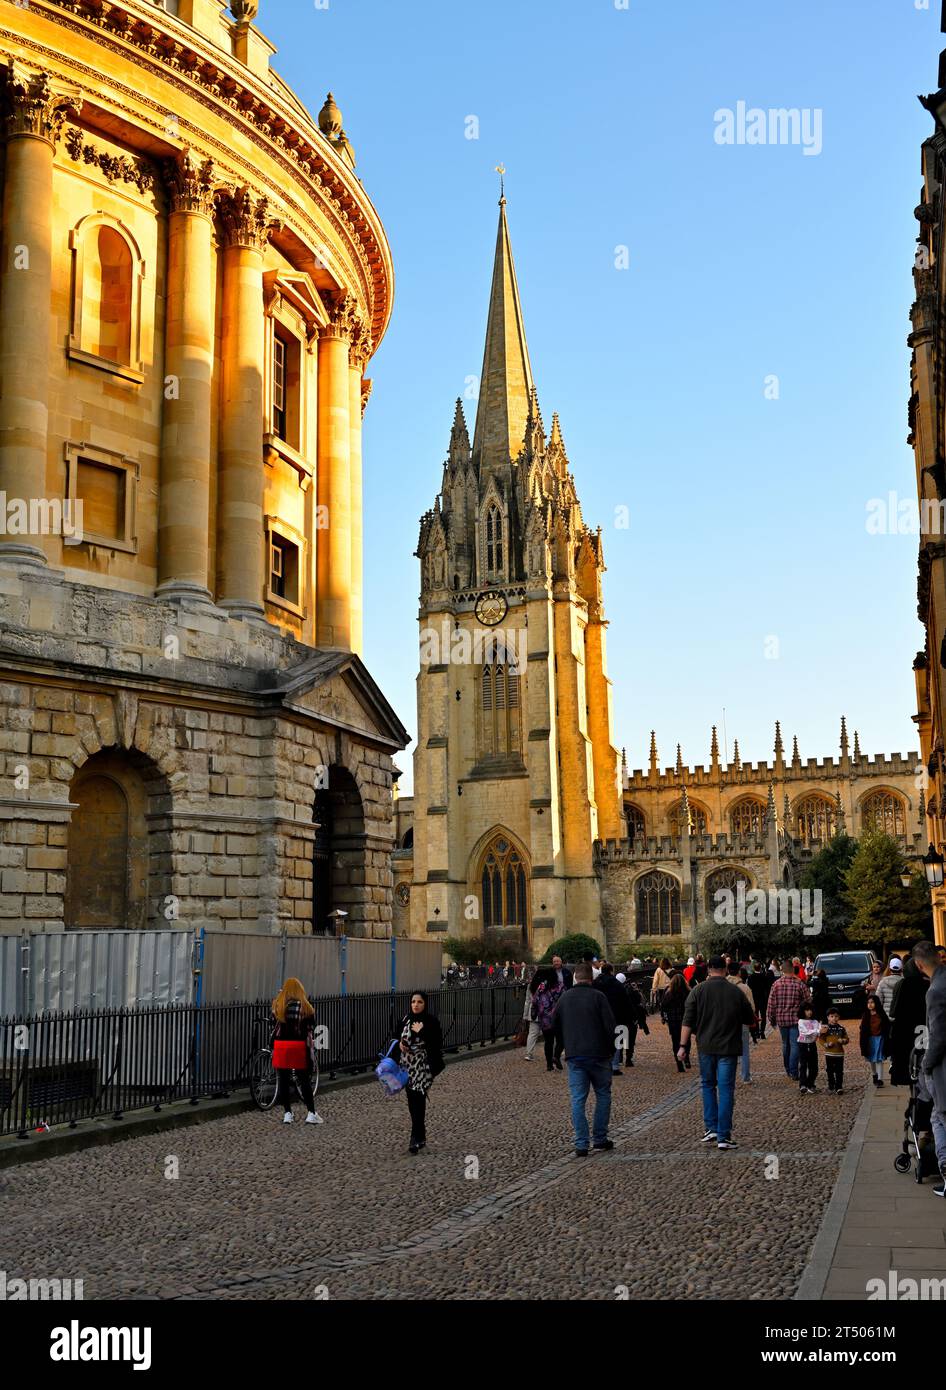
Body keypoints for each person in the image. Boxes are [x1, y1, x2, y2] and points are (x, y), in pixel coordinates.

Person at [680, 956, 755, 1150]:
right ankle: (723, 1134)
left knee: (707, 1086)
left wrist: (682, 1046)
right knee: (726, 1089)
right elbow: (750, 1019)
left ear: (708, 970)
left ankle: (711, 1128)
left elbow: (687, 1021)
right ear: (724, 969)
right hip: (728, 1047)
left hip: (705, 1046)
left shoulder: (697, 991)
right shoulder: (735, 992)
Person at [552, 961, 617, 1156]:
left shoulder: (564, 998)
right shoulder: (599, 997)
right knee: (603, 1095)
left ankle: (581, 1143)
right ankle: (599, 1138)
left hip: (575, 1055)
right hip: (599, 1054)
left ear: (575, 977)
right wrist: (611, 1049)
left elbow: (556, 1026)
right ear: (592, 978)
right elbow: (610, 1026)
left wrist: (560, 1049)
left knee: (578, 1100)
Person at [912, 940, 946, 1196]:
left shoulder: (934, 991)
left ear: (918, 964)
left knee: (940, 1116)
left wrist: (926, 1063)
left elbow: (938, 1036)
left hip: (942, 1066)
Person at [271, 977, 322, 1126]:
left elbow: (274, 1024)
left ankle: (287, 1113)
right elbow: (310, 1027)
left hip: (281, 1045)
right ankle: (311, 1113)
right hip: (298, 1045)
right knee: (304, 1079)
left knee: (283, 1080)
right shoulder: (306, 1007)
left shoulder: (278, 1006)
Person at [399, 990, 444, 1154]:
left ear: (425, 1004)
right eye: (413, 1002)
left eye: (419, 1002)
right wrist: (399, 1044)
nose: (415, 1005)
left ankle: (415, 1137)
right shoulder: (405, 1019)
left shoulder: (430, 1021)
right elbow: (396, 1036)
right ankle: (420, 1134)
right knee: (412, 1100)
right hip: (407, 1066)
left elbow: (437, 1041)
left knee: (418, 1098)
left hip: (423, 1066)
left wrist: (421, 1031)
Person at [767, 959, 811, 1081]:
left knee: (785, 1044)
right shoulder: (799, 984)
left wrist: (771, 1019)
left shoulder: (776, 985)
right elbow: (808, 1000)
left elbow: (771, 1004)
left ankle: (788, 1068)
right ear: (792, 970)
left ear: (782, 970)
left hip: (782, 1020)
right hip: (795, 1020)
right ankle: (793, 1071)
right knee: (795, 1044)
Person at [889, 957, 930, 1085]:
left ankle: (913, 1095)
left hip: (903, 1029)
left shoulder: (901, 984)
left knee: (907, 1065)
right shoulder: (926, 984)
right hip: (922, 1028)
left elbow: (893, 1011)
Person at [594, 962, 632, 1074]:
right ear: (611, 971)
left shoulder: (596, 983)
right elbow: (626, 1001)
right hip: (616, 1015)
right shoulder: (617, 984)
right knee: (617, 1040)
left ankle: (601, 1063)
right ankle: (614, 1065)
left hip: (599, 1015)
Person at [726, 962, 755, 1083]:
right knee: (744, 1051)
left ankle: (727, 1076)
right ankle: (745, 1076)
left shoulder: (723, 985)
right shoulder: (744, 988)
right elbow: (751, 1008)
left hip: (726, 1022)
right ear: (738, 972)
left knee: (726, 1051)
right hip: (742, 1021)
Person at [532, 968, 565, 1071]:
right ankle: (556, 1056)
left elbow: (535, 1000)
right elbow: (565, 999)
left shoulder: (541, 986)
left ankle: (549, 1064)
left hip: (544, 1018)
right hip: (557, 1017)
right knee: (561, 1039)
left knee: (548, 1041)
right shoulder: (560, 986)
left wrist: (534, 1013)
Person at [662, 970, 691, 1072]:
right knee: (686, 1040)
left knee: (675, 1041)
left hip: (673, 1021)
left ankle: (679, 1064)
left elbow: (664, 1006)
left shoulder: (669, 993)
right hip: (685, 1020)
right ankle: (686, 1057)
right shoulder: (688, 992)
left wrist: (664, 1018)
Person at [859, 994, 890, 1088]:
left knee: (879, 1059)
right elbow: (863, 1028)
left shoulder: (881, 1014)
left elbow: (886, 1025)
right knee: (871, 1059)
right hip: (869, 1040)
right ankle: (874, 1075)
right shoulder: (866, 1015)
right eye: (868, 1003)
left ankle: (880, 1079)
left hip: (880, 1038)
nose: (870, 1004)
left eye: (872, 1002)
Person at [818, 1007, 850, 1094]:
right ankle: (831, 1084)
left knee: (839, 1071)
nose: (834, 1018)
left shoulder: (841, 1029)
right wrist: (827, 1044)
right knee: (830, 1070)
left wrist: (843, 1041)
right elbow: (821, 1039)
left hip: (839, 1054)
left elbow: (846, 1038)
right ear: (828, 1017)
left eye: (836, 1016)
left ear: (839, 1017)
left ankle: (839, 1087)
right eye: (832, 1016)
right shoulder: (826, 1029)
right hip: (829, 1054)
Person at [622, 972, 649, 1065]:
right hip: (632, 1018)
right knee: (631, 1039)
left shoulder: (617, 991)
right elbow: (640, 1003)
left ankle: (619, 1058)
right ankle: (628, 1058)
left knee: (620, 1038)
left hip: (620, 1018)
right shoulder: (633, 991)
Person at [797, 1000, 821, 1094]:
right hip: (802, 1045)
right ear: (803, 1011)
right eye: (807, 1010)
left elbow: (819, 1029)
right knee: (803, 1065)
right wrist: (817, 1031)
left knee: (814, 1066)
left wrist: (819, 1031)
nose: (809, 1012)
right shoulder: (801, 1021)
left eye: (810, 1010)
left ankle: (810, 1083)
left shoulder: (815, 1021)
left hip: (812, 1045)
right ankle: (803, 1084)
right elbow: (805, 1032)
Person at [521, 969, 544, 1061]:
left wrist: (525, 1015)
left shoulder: (530, 985)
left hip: (533, 1011)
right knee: (549, 1034)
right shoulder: (545, 985)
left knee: (532, 1033)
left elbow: (527, 1001)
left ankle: (529, 1053)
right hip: (544, 1011)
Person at [747, 960, 772, 1039]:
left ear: (754, 968)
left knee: (756, 1015)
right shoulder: (764, 976)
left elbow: (749, 987)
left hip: (754, 998)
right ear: (760, 968)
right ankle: (762, 1032)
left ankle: (757, 1031)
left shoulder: (751, 977)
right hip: (762, 998)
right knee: (763, 1015)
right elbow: (767, 987)